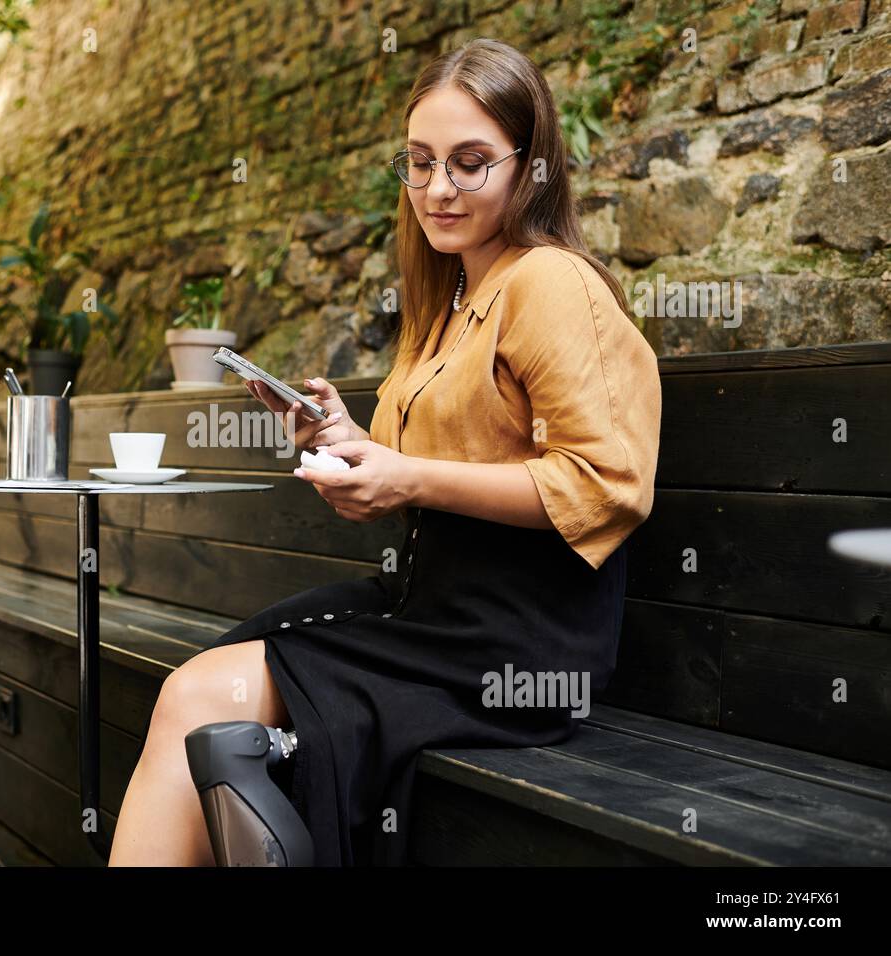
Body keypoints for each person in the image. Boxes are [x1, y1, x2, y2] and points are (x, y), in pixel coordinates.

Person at [107, 36, 662, 867]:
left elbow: (608, 484)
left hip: (518, 639)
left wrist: (405, 476)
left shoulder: (550, 282)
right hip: (431, 604)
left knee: (201, 696)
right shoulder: (451, 297)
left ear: (531, 164)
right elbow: (444, 464)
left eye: (470, 162)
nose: (437, 189)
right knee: (203, 683)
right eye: (420, 162)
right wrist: (351, 441)